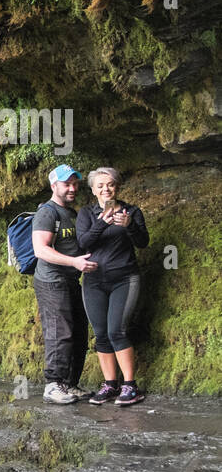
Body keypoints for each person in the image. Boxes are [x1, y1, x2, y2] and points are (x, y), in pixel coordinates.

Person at [77, 167, 149, 405]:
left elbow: (143, 243)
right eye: (100, 185)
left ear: (117, 186)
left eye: (110, 184)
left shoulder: (132, 211)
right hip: (94, 281)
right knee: (100, 334)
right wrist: (101, 223)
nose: (105, 189)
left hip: (124, 279)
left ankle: (130, 386)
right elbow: (83, 243)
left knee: (116, 330)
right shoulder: (86, 213)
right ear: (93, 190)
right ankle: (110, 384)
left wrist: (129, 224)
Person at [31, 164, 98, 404]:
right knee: (60, 332)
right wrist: (74, 262)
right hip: (51, 281)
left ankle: (70, 384)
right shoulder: (47, 213)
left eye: (74, 184)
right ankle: (53, 385)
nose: (72, 188)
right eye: (66, 184)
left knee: (79, 331)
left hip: (71, 279)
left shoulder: (73, 213)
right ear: (54, 186)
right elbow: (41, 250)